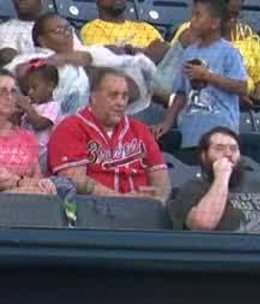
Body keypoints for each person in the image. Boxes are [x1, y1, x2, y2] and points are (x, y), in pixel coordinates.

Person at [46, 67, 169, 199]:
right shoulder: (70, 128)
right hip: (92, 212)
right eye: (113, 95)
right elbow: (75, 180)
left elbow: (161, 177)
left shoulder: (139, 130)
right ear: (93, 97)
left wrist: (157, 201)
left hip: (142, 212)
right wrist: (122, 200)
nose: (120, 102)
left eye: (124, 96)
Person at [154, 0, 247, 155]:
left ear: (215, 23)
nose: (192, 20)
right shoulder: (188, 53)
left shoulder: (229, 52)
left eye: (198, 16)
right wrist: (167, 122)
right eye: (192, 15)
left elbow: (242, 87)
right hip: (191, 133)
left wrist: (207, 76)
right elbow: (181, 93)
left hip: (221, 134)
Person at [168, 126, 260, 232]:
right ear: (204, 156)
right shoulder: (193, 188)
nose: (228, 153)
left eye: (233, 149)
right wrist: (222, 177)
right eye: (219, 148)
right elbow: (202, 225)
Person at [0, 69, 53, 195]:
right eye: (2, 92)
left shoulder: (26, 138)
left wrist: (40, 185)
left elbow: (37, 177)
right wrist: (21, 183)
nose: (9, 97)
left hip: (27, 203)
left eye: (13, 92)